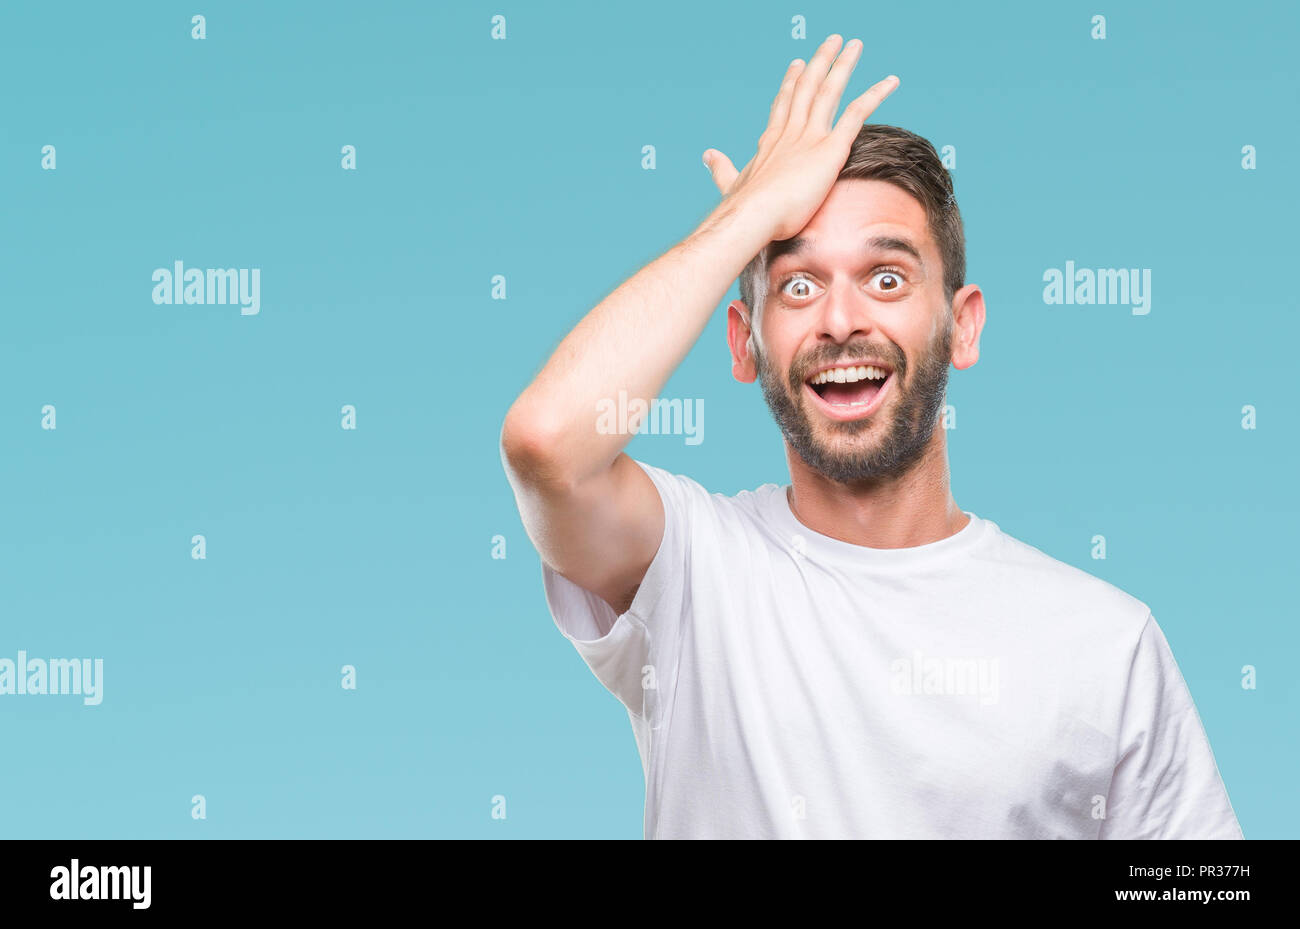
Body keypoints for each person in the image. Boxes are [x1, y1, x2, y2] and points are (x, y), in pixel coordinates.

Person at [499, 34, 1243, 839]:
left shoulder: (1105, 642)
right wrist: (746, 218)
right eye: (798, 284)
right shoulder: (690, 572)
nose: (842, 318)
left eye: (887, 278)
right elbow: (548, 443)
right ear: (744, 343)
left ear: (961, 326)